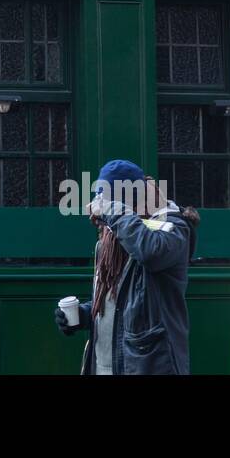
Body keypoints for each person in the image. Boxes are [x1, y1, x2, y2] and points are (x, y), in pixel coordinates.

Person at [54, 160, 198, 374]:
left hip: (147, 367)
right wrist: (85, 315)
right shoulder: (113, 239)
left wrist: (113, 210)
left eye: (108, 203)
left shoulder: (173, 229)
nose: (102, 217)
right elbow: (117, 304)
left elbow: (150, 252)